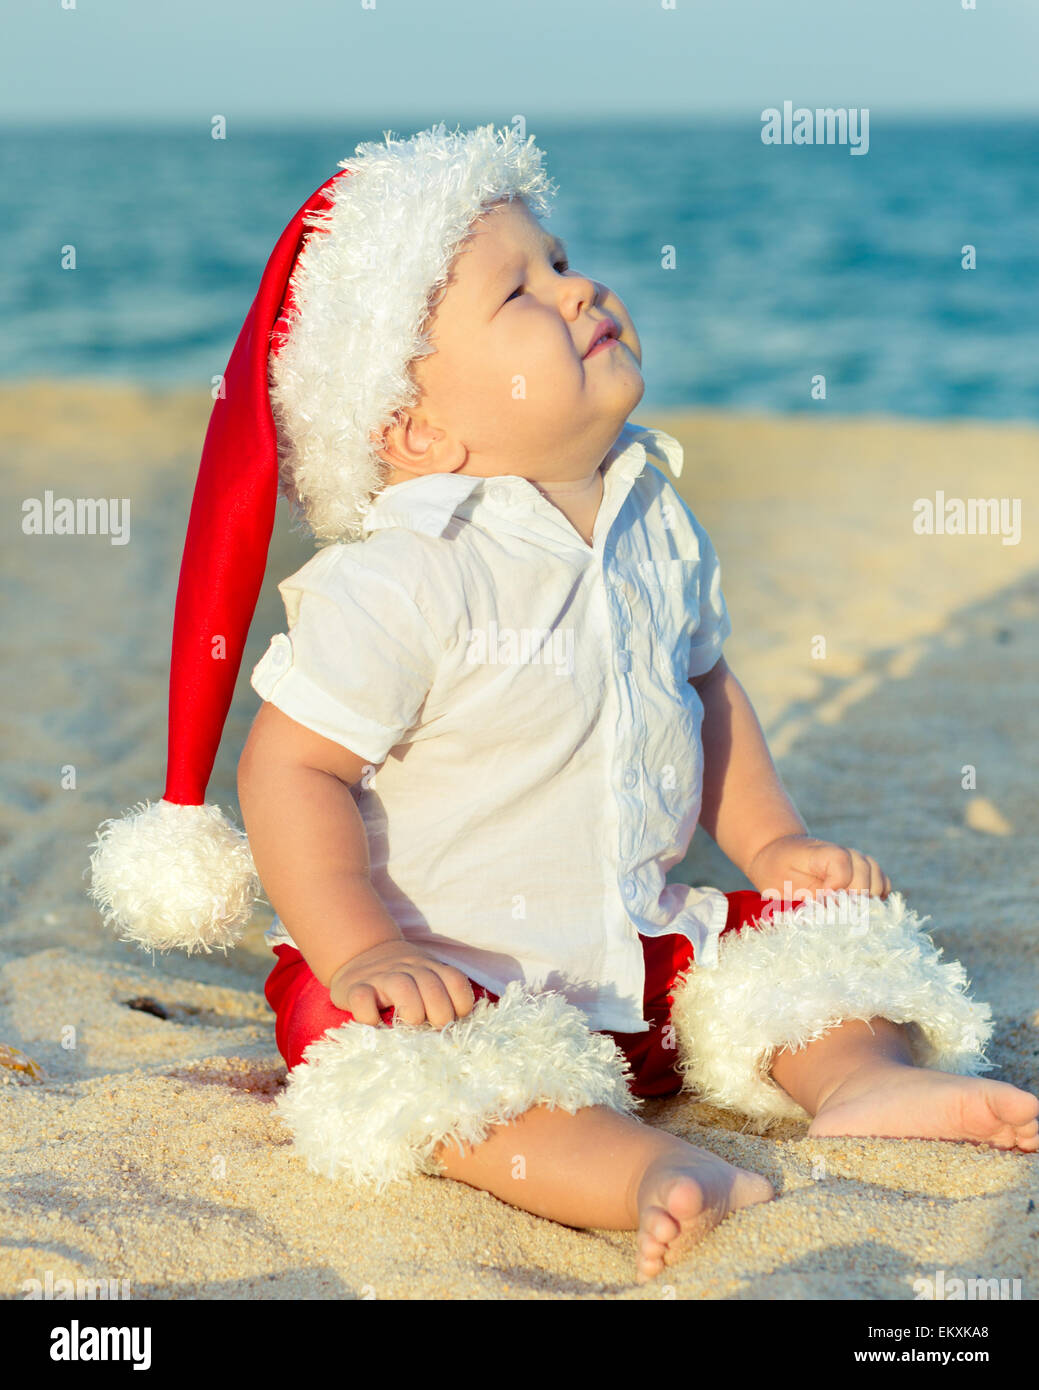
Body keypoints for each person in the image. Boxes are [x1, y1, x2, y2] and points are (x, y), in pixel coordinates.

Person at [89, 125, 1038, 1287]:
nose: (578, 285)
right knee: (410, 1076)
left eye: (562, 258)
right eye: (520, 290)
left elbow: (701, 685)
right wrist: (364, 945)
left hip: (640, 952)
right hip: (452, 975)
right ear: (417, 428)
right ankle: (631, 1172)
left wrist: (774, 839)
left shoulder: (651, 514)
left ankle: (861, 1078)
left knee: (819, 938)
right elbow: (291, 771)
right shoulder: (403, 574)